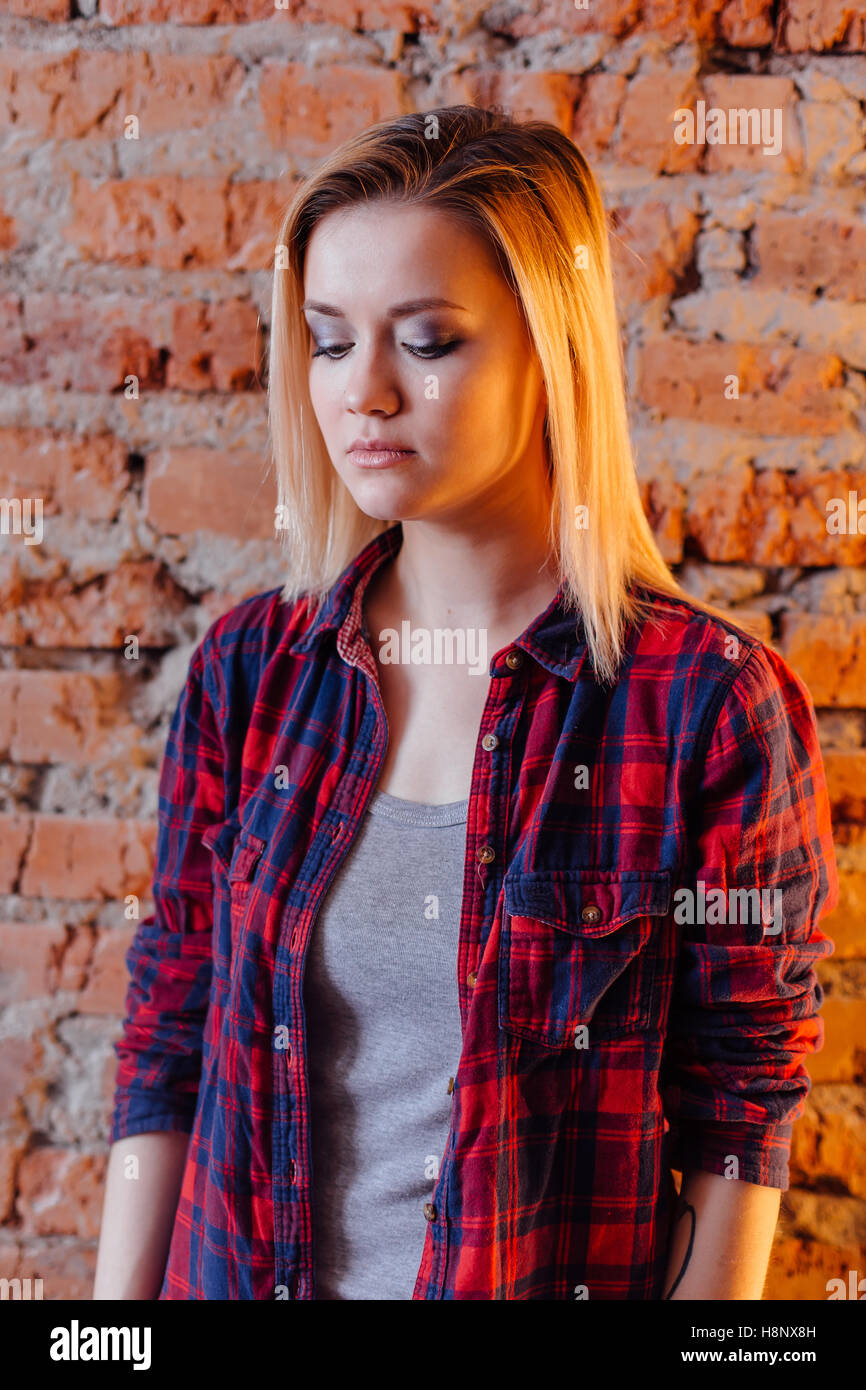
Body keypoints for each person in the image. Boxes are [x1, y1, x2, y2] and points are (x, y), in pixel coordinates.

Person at [94, 105, 838, 1301]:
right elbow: (169, 1034)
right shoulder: (250, 672)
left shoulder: (705, 709)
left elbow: (737, 1117)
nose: (364, 393)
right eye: (331, 342)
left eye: (429, 341)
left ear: (551, 354)